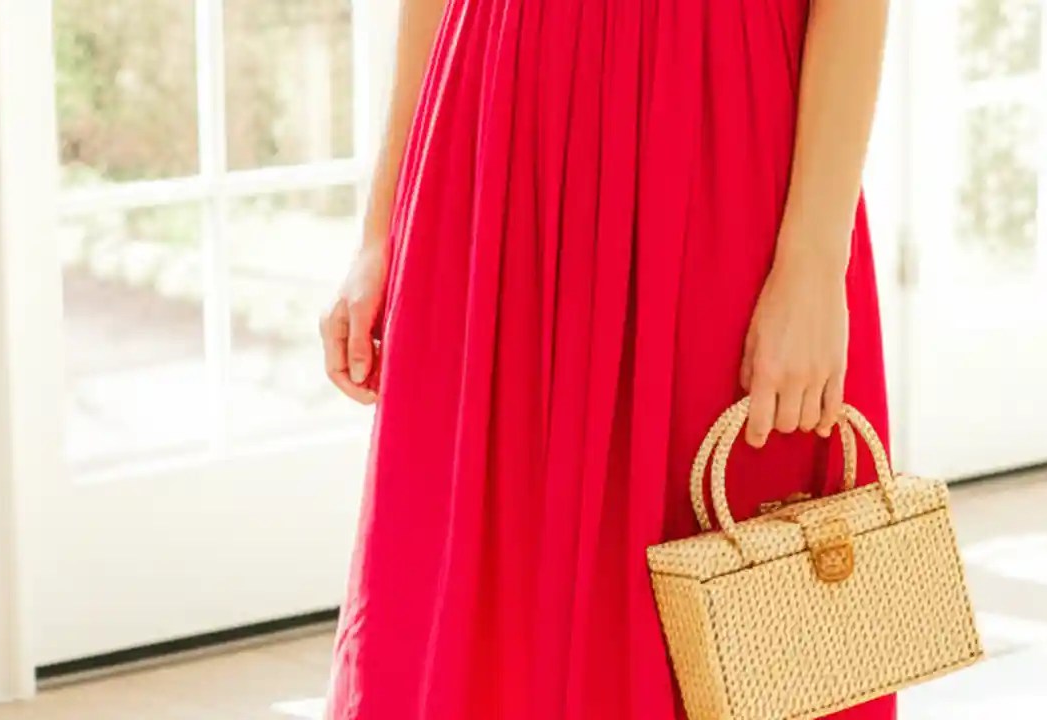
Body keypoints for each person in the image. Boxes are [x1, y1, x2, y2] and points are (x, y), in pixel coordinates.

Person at [320, 0, 893, 717]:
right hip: (495, 153)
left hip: (716, 158)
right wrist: (381, 232)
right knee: (476, 613)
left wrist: (812, 265)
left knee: (729, 631)